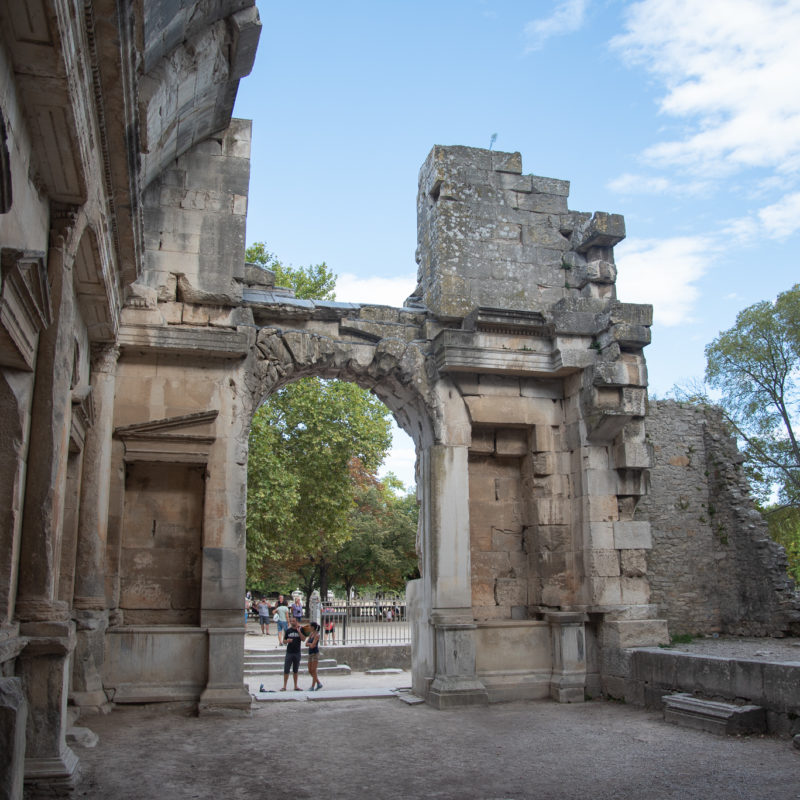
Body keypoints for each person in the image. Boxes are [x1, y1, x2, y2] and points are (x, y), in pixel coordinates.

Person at [281, 616, 307, 691]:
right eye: (291, 621)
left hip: (297, 652)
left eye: (293, 621)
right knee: (286, 669)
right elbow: (284, 641)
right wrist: (287, 641)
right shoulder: (288, 631)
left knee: (295, 670)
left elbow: (303, 639)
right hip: (289, 652)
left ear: (296, 621)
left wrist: (299, 632)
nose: (292, 622)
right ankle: (284, 686)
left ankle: (296, 686)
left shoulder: (300, 629)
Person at [305, 621, 322, 691]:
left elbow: (312, 645)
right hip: (310, 653)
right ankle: (318, 683)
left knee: (313, 670)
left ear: (313, 627)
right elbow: (307, 644)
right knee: (310, 670)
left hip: (315, 653)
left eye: (310, 626)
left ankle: (312, 686)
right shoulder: (311, 634)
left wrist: (309, 644)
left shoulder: (317, 635)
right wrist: (310, 644)